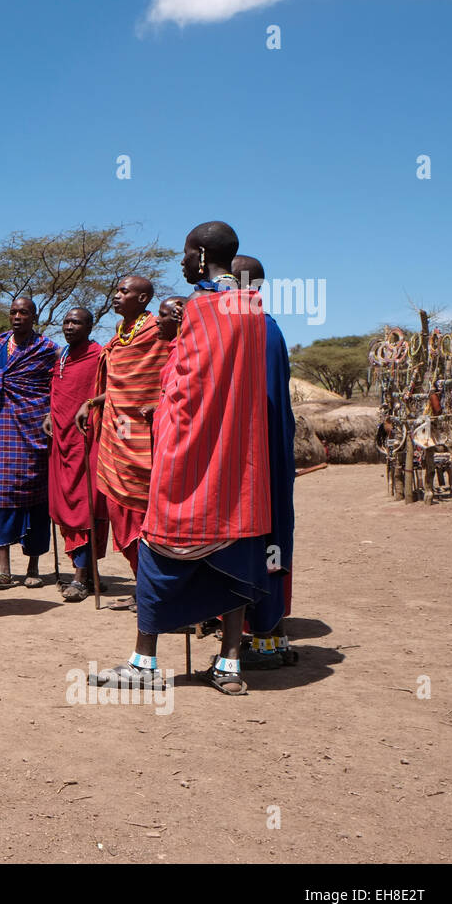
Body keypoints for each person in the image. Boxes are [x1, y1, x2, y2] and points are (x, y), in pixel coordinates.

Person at [94, 221, 271, 696]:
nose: (180, 262)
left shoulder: (202, 310)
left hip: (191, 456)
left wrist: (161, 408)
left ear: (199, 254)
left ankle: (144, 663)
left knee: (157, 547)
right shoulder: (252, 309)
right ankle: (230, 665)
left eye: (184, 253)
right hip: (238, 461)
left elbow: (186, 387)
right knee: (234, 552)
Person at [76, 275, 173, 603]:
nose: (116, 296)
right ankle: (143, 587)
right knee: (121, 515)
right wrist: (91, 402)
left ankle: (163, 592)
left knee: (153, 520)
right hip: (118, 440)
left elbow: (176, 381)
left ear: (144, 298)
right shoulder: (118, 340)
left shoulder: (162, 333)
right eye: (116, 290)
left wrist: (159, 405)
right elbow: (118, 389)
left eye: (124, 291)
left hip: (150, 443)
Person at [231, 255, 297, 668]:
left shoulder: (258, 328)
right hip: (257, 453)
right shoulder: (258, 324)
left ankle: (264, 631)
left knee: (262, 536)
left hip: (258, 456)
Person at [0, 297, 59, 591]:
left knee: (36, 496)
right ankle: (4, 570)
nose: (17, 316)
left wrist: (50, 413)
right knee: (1, 495)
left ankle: (33, 567)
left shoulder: (47, 349)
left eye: (24, 312)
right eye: (13, 312)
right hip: (3, 428)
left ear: (34, 316)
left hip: (35, 428)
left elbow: (55, 387)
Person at [46, 308, 109, 601]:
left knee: (86, 504)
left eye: (76, 322)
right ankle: (87, 573)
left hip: (88, 439)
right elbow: (58, 391)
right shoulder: (61, 356)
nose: (69, 326)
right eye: (67, 322)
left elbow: (115, 391)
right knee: (66, 503)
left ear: (89, 325)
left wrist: (91, 404)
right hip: (61, 441)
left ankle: (81, 577)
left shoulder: (99, 355)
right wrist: (50, 414)